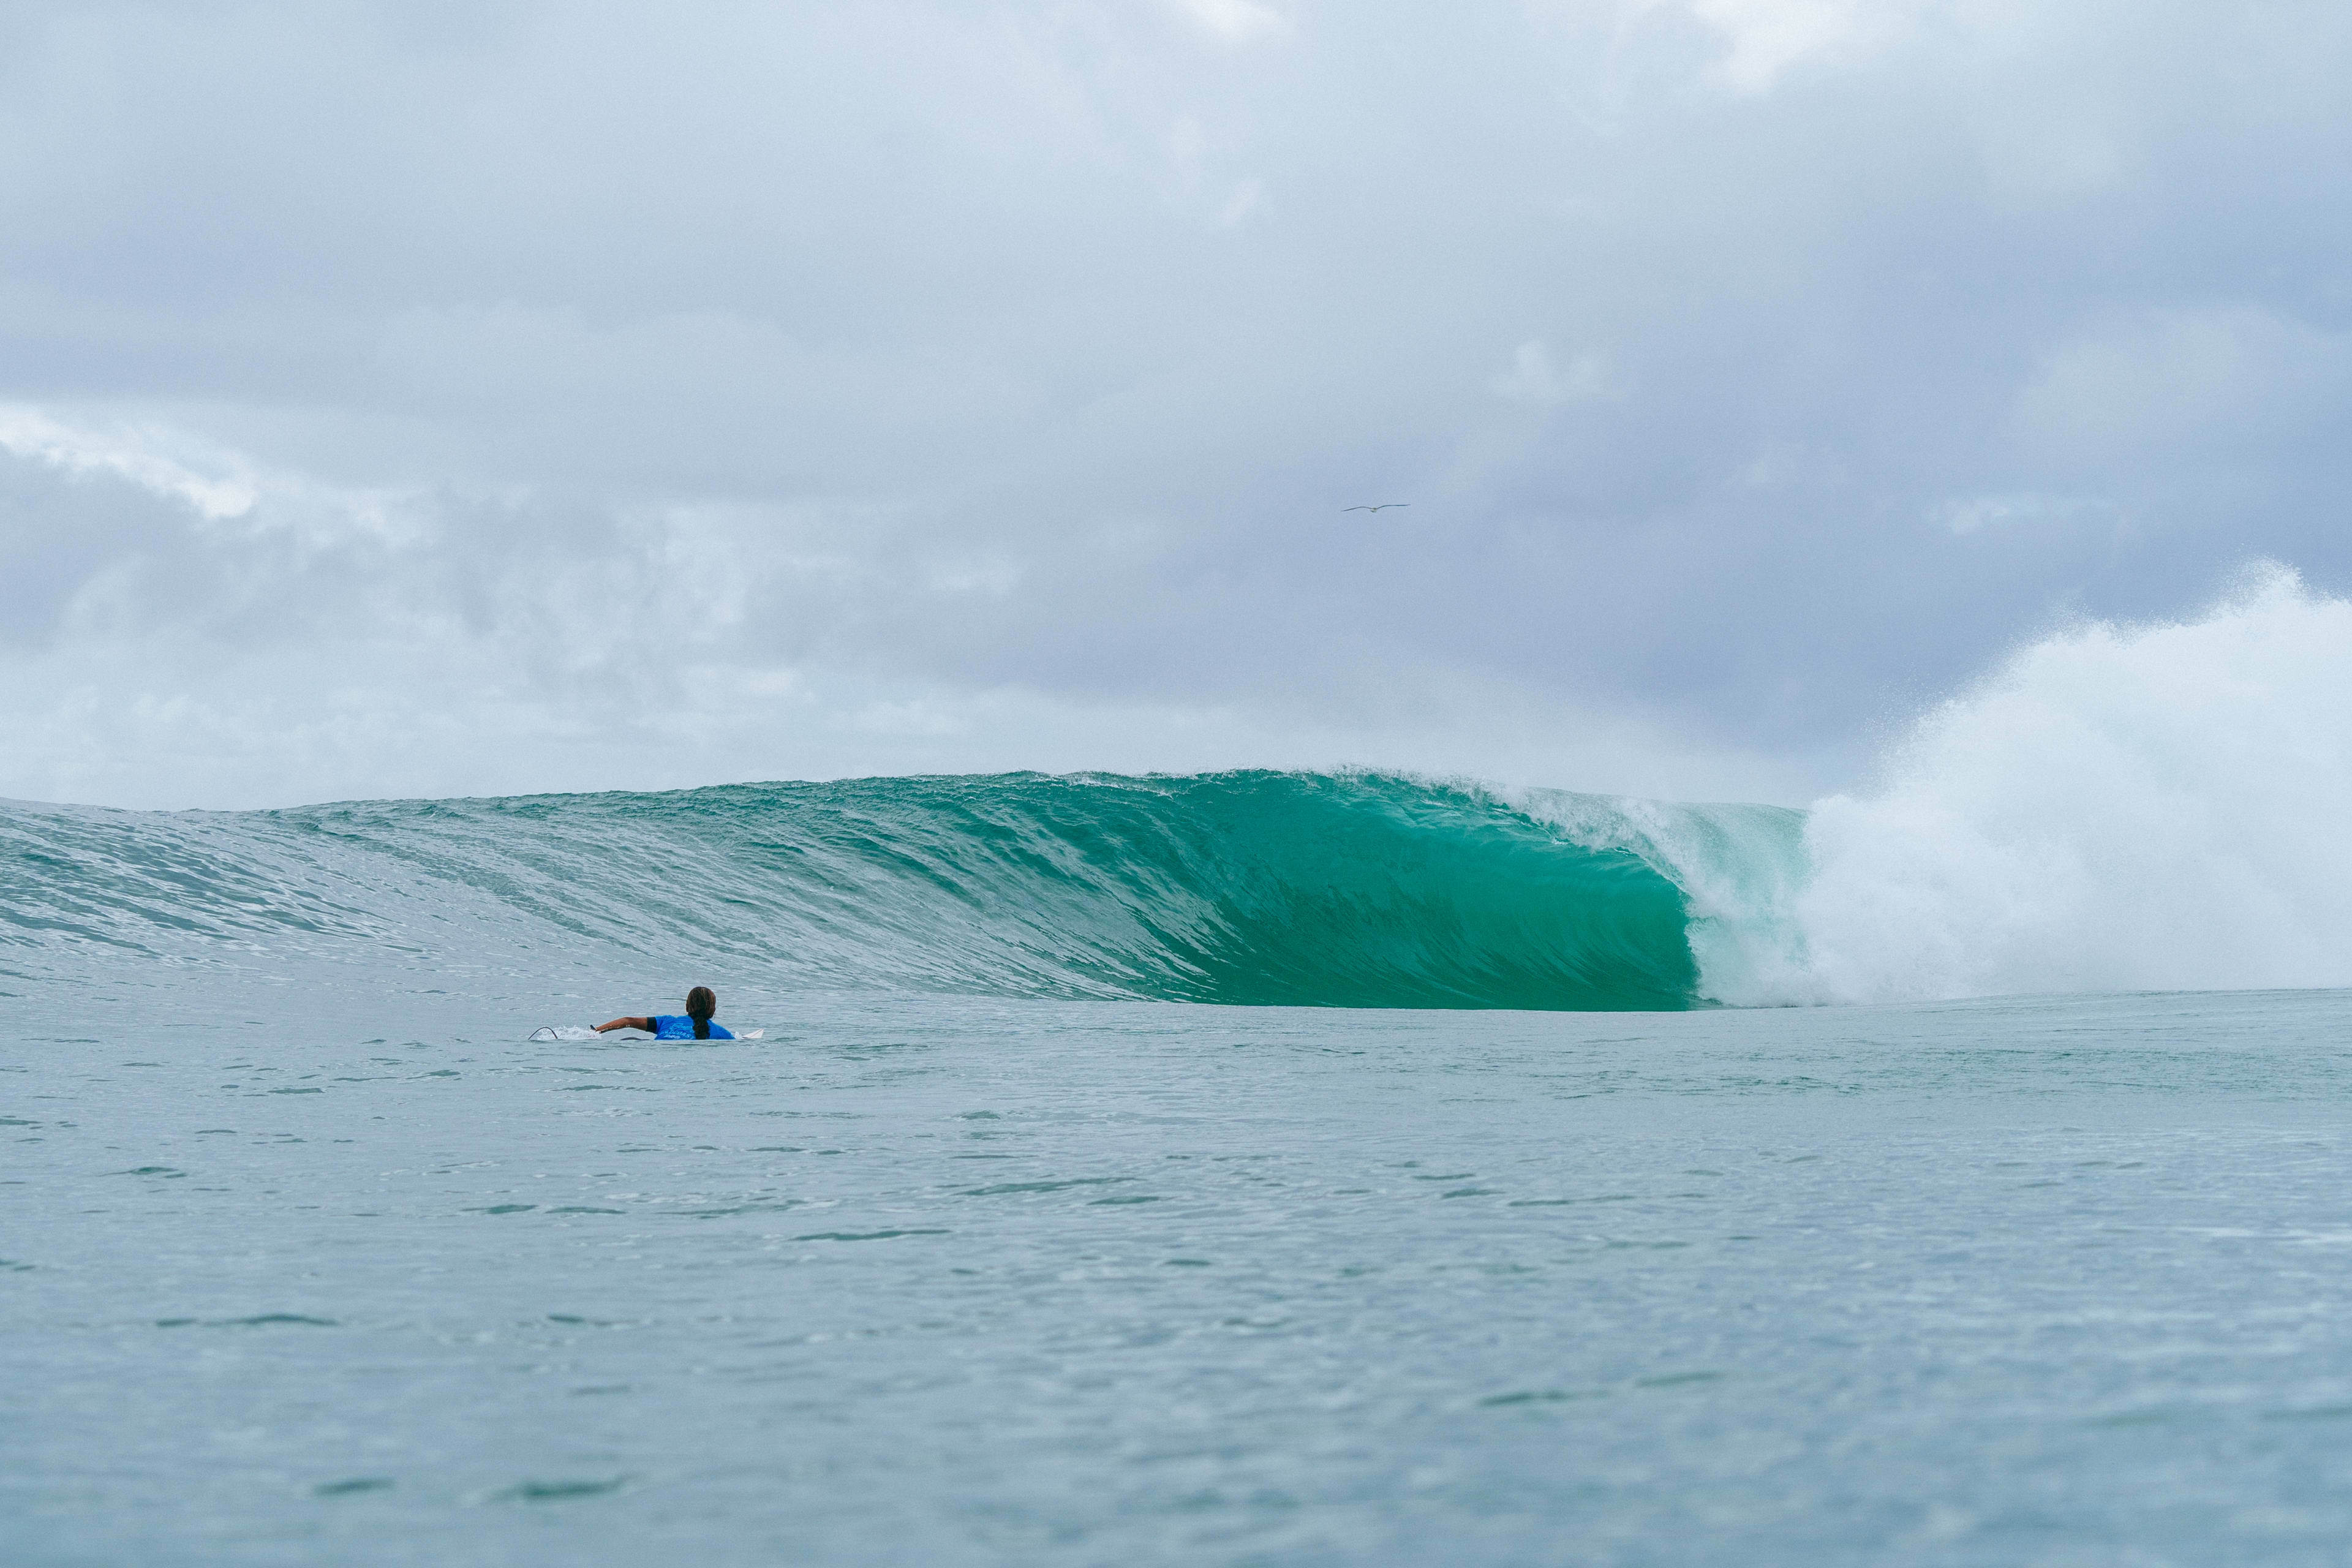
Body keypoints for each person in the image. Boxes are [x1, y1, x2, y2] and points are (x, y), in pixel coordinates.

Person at [597, 986, 736, 1041]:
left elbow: (628, 1021)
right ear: (712, 1009)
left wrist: (596, 1031)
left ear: (687, 1005)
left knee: (632, 1040)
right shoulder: (721, 1033)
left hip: (656, 1051)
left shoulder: (668, 1021)